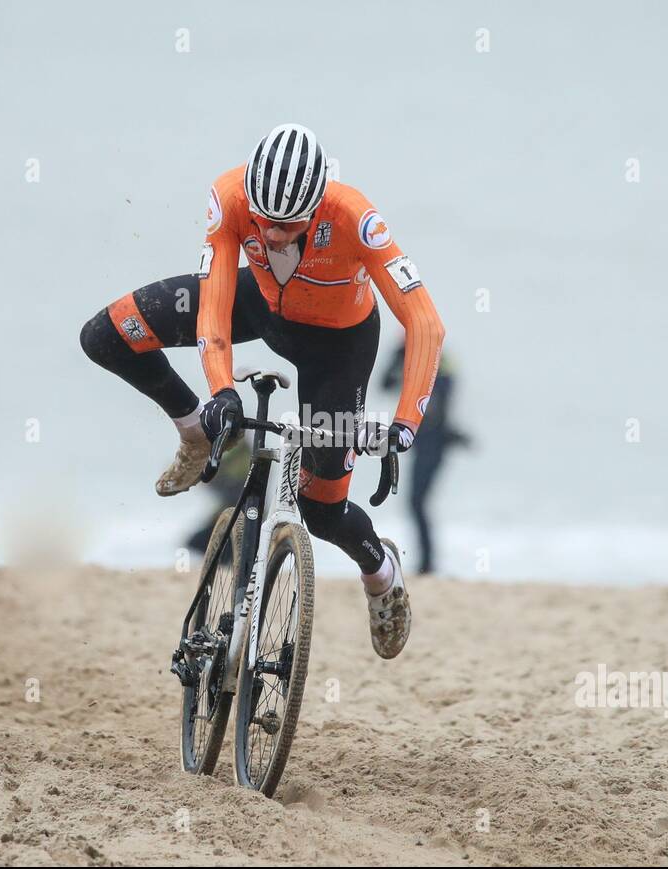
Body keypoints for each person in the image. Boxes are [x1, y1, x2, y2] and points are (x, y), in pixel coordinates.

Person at [81, 123, 445, 658]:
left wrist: (406, 424)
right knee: (107, 336)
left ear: (317, 206)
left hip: (338, 346)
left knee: (322, 512)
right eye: (265, 223)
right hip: (258, 305)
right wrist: (220, 392)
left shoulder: (355, 216)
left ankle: (381, 572)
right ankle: (190, 432)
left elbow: (424, 323)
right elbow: (214, 303)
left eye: (288, 225)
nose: (272, 235)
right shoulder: (230, 197)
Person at [380, 344, 471, 574]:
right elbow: (385, 384)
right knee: (418, 503)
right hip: (424, 444)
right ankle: (427, 562)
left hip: (434, 444)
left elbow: (438, 408)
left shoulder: (438, 363)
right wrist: (397, 358)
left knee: (418, 502)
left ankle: (427, 563)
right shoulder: (408, 359)